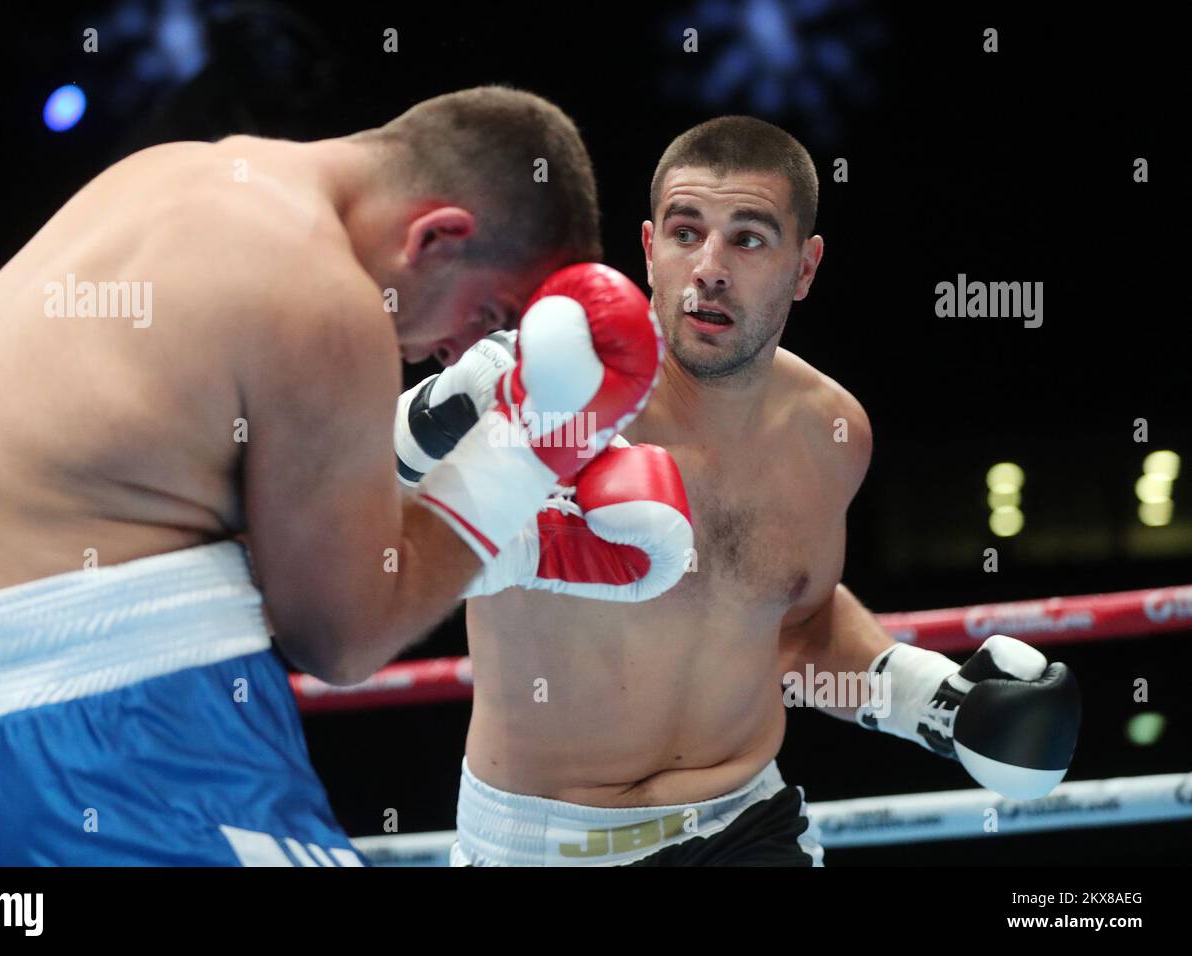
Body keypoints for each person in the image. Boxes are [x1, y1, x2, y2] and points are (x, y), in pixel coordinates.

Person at [0, 86, 668, 865]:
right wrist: (531, 447)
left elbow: (180, 495)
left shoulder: (158, 178)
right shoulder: (325, 297)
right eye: (492, 316)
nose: (456, 351)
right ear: (436, 238)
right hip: (105, 739)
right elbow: (341, 637)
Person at [394, 116, 1080, 866]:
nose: (710, 267)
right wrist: (440, 408)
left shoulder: (828, 432)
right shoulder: (548, 391)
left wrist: (937, 703)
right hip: (543, 844)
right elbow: (349, 524)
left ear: (805, 268)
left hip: (743, 826)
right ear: (651, 250)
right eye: (688, 234)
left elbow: (800, 626)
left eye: (747, 239)